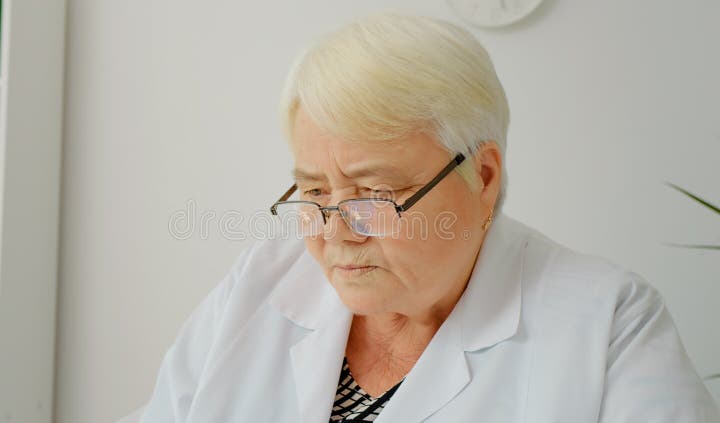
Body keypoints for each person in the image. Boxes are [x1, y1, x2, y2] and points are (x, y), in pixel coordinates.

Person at [136, 13, 720, 422]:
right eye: (313, 190)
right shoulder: (260, 284)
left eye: (376, 192)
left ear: (483, 177)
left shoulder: (611, 324)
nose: (336, 229)